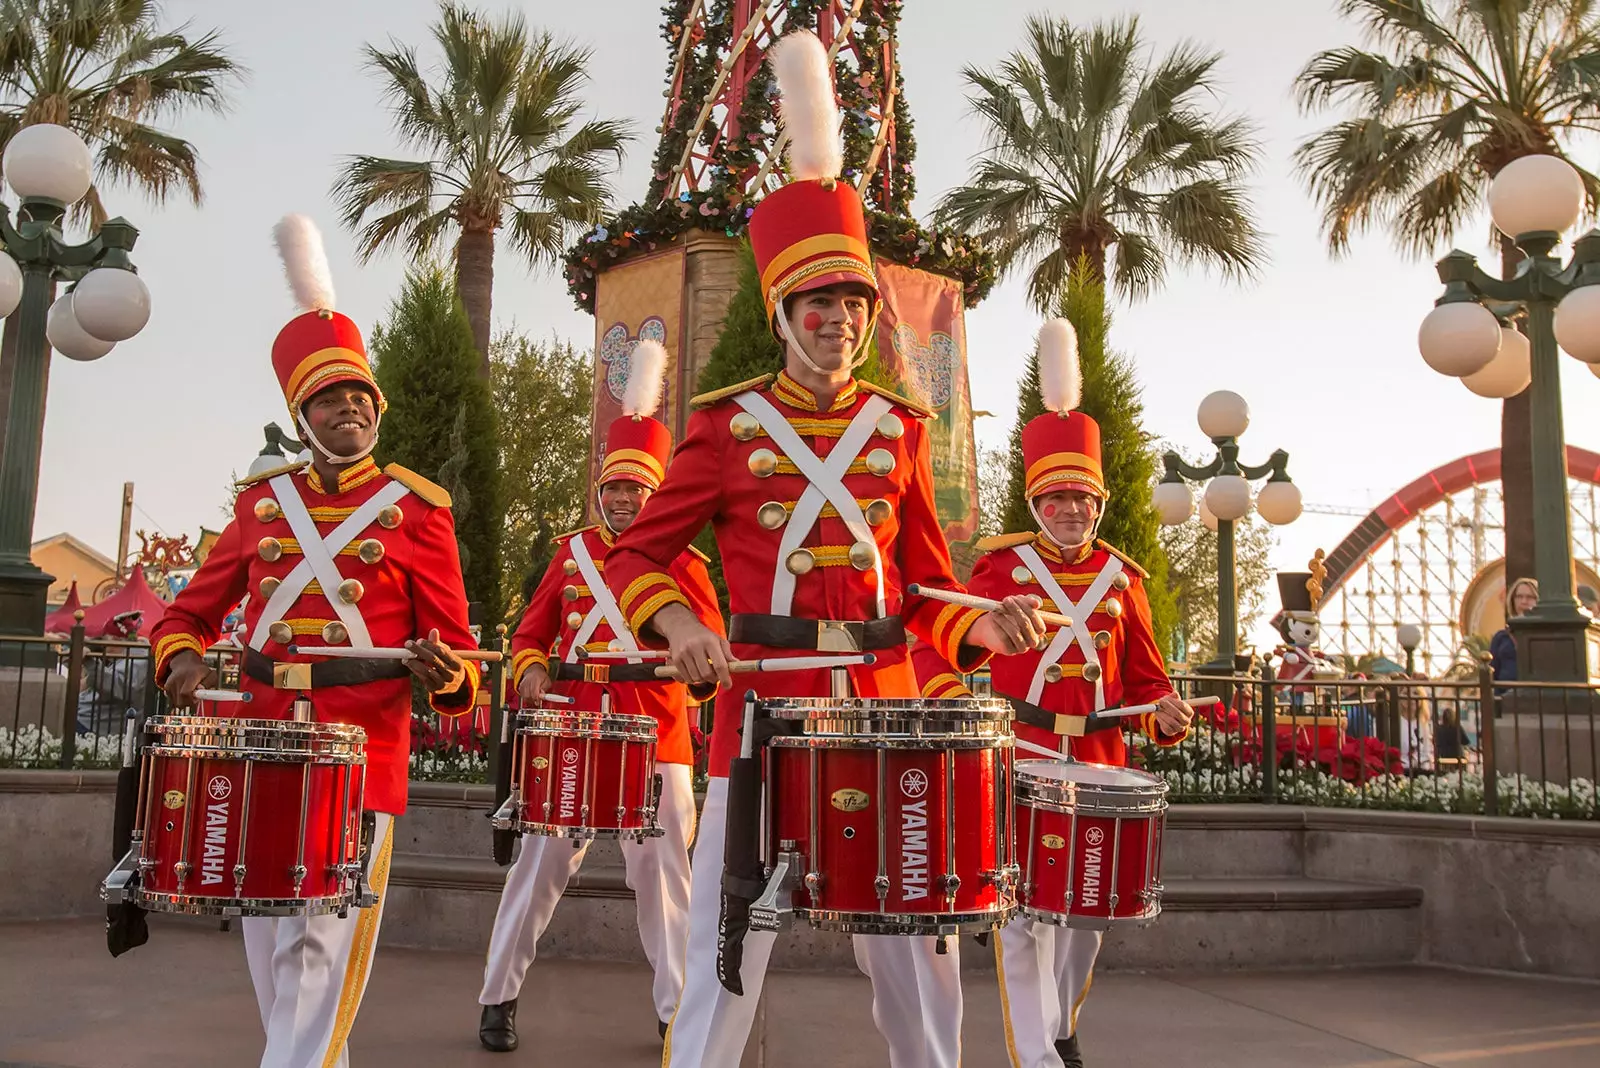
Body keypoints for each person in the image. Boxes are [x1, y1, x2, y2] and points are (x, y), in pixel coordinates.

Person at [602, 30, 1045, 1068]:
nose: (839, 319)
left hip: (885, 711)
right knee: (727, 953)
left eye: (851, 300)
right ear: (782, 310)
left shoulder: (898, 429)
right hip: (757, 710)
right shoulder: (720, 426)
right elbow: (637, 556)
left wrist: (973, 618)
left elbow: (929, 577)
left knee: (918, 950)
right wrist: (677, 622)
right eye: (818, 302)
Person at [150, 215, 479, 1068]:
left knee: (321, 947)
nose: (350, 411)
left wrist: (445, 679)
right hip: (260, 740)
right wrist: (181, 657)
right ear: (302, 413)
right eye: (331, 400)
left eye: (361, 398)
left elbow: (455, 652)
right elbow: (186, 612)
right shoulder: (261, 508)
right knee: (268, 940)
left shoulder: (417, 510)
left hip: (359, 747)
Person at [955, 318, 1194, 1068]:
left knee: (1086, 916)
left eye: (1083, 499)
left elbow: (1149, 680)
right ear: (1034, 501)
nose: (1071, 510)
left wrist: (1167, 714)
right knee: (1024, 914)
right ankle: (1041, 1057)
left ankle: (1058, 1026)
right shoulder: (998, 570)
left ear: (1100, 503)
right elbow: (955, 640)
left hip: (1098, 752)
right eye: (1056, 497)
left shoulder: (1124, 580)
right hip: (1022, 753)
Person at [476, 341, 725, 1052]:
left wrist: (697, 666)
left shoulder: (683, 561)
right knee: (538, 867)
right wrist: (529, 672)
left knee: (664, 879)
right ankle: (498, 997)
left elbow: (708, 641)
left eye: (637, 492)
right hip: (573, 731)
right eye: (614, 490)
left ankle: (675, 1012)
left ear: (655, 497)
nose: (623, 500)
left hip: (658, 736)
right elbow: (531, 632)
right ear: (600, 492)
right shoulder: (571, 556)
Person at [1490, 577, 1538, 682]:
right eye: (1519, 597)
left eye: (1530, 597)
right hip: (1504, 695)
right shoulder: (1501, 637)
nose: (1524, 601)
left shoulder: (1546, 636)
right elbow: (1492, 674)